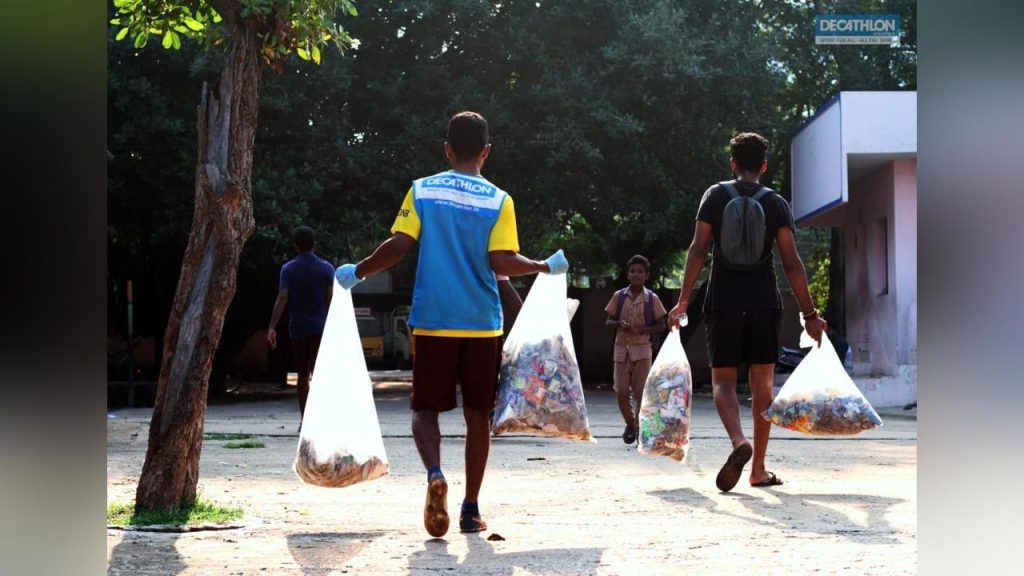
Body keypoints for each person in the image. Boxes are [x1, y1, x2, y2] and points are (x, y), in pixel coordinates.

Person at [334, 111, 568, 537]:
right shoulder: (499, 199)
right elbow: (501, 262)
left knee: (425, 409)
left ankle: (435, 474)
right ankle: (471, 508)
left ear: (446, 149)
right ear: (485, 152)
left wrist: (360, 270)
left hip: (433, 321)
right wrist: (541, 266)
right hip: (481, 324)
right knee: (478, 414)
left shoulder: (423, 191)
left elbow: (399, 246)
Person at [668, 132, 827, 492]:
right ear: (764, 166)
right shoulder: (776, 203)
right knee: (763, 387)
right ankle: (758, 470)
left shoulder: (714, 195)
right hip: (764, 301)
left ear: (733, 163)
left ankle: (739, 441)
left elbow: (697, 250)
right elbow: (791, 262)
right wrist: (810, 313)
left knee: (723, 382)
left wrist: (682, 301)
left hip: (723, 299)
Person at [266, 226, 335, 423]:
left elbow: (282, 297)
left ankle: (305, 420)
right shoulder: (326, 268)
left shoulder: (288, 269)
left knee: (302, 374)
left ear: (295, 246)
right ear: (315, 244)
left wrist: (272, 326)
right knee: (320, 373)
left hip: (298, 328)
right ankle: (322, 420)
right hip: (321, 327)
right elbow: (331, 299)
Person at [604, 255, 668, 445]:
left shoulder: (652, 299)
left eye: (640, 271)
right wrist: (619, 323)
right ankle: (630, 423)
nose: (636, 275)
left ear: (646, 275)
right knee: (621, 390)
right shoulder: (619, 296)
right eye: (632, 271)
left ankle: (639, 427)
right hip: (621, 349)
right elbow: (608, 321)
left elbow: (661, 325)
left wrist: (642, 329)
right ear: (627, 274)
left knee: (641, 392)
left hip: (642, 350)